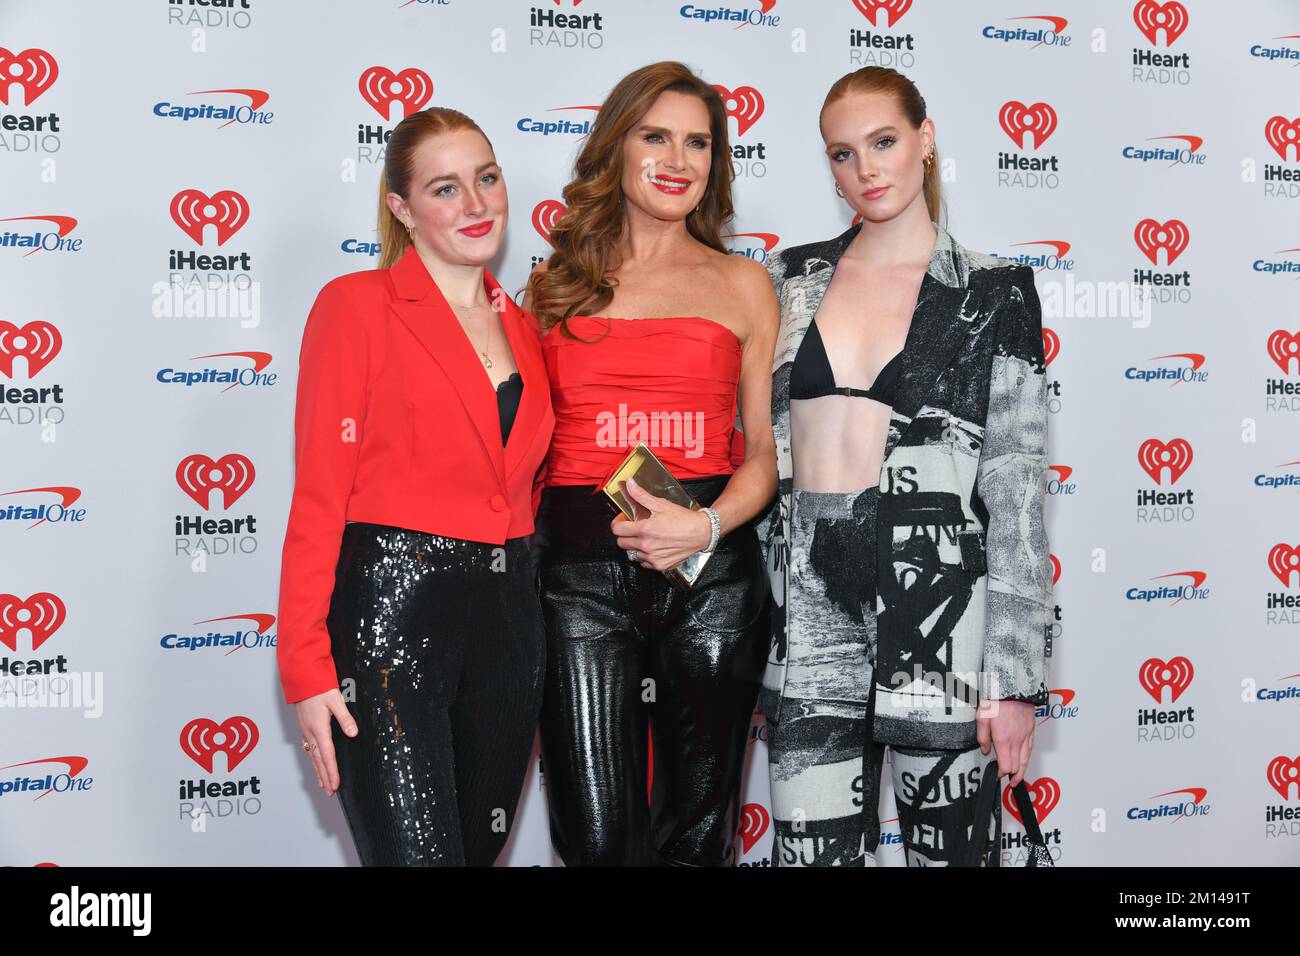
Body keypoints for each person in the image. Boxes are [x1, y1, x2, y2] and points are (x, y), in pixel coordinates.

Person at [758, 66, 1053, 867]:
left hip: (941, 619)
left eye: (883, 141)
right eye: (842, 154)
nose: (866, 169)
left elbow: (1015, 490)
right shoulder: (786, 281)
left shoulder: (994, 292)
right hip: (807, 619)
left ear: (925, 139)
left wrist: (1015, 681)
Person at [276, 107, 554, 866]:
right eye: (445, 188)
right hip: (390, 624)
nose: (476, 203)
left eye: (486, 178)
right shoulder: (355, 306)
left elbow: (528, 494)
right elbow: (319, 497)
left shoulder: (525, 328)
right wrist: (306, 667)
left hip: (508, 635)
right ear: (402, 209)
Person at [523, 61, 779, 866]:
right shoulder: (552, 286)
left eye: (698, 143)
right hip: (577, 580)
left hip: (712, 573)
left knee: (699, 840)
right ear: (617, 148)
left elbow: (764, 456)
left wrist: (704, 526)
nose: (678, 159)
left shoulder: (744, 284)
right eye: (656, 136)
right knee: (595, 841)